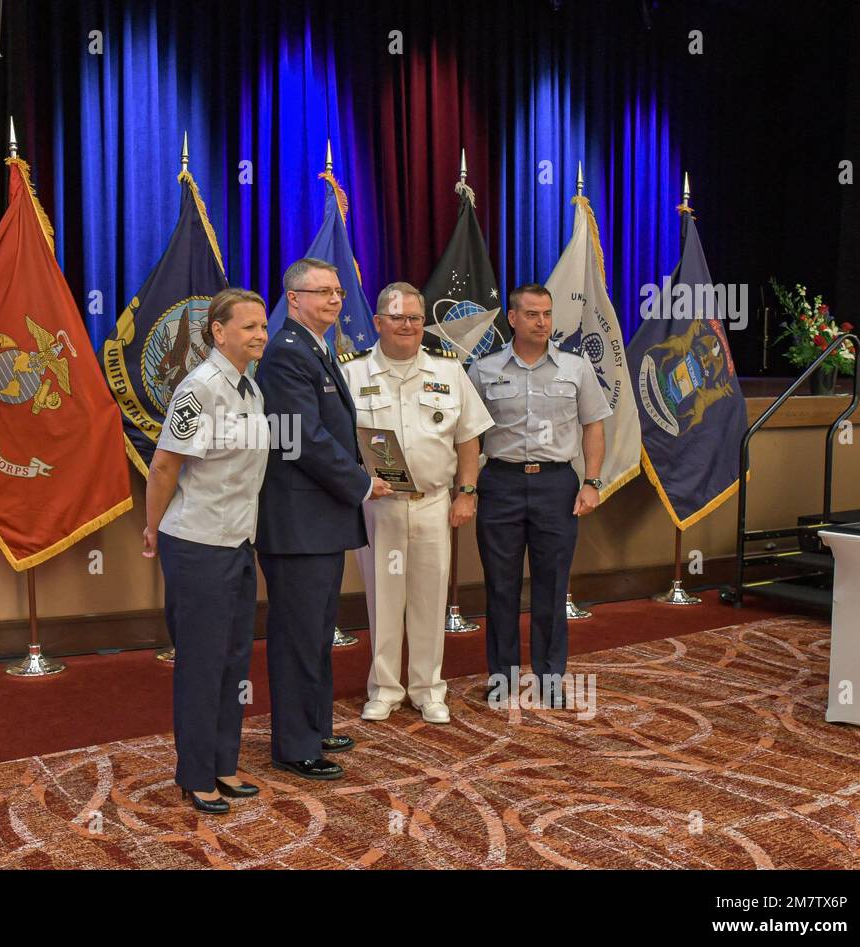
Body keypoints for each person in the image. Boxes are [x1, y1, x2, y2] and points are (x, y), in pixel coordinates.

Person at [255, 258, 392, 781]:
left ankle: (313, 726)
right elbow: (303, 438)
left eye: (338, 292)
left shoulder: (316, 349)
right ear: (293, 298)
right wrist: (361, 481)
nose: (335, 301)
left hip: (318, 518)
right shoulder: (285, 355)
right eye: (322, 293)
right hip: (297, 521)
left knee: (317, 632)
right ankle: (294, 745)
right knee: (298, 635)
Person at [340, 281, 493, 724]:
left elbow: (469, 439)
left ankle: (429, 689)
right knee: (383, 597)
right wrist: (359, 483)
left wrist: (467, 493)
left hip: (433, 503)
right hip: (379, 506)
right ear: (378, 323)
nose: (407, 326)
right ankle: (385, 688)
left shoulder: (449, 371)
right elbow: (336, 445)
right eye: (397, 318)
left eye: (415, 318)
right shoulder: (352, 374)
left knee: (430, 598)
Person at [143, 288, 271, 813]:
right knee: (201, 662)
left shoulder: (250, 389)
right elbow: (164, 466)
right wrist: (152, 529)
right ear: (218, 332)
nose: (261, 335)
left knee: (234, 660)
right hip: (197, 543)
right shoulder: (198, 389)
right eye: (249, 327)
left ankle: (223, 763)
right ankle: (195, 774)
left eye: (263, 326)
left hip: (238, 541)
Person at [467, 283, 611, 708]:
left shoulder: (576, 368)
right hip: (501, 484)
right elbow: (468, 436)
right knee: (500, 586)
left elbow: (594, 426)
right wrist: (468, 487)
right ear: (512, 318)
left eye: (547, 314)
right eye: (531, 314)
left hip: (556, 486)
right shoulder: (484, 370)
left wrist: (593, 481)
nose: (542, 322)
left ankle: (550, 679)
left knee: (552, 587)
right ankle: (503, 678)